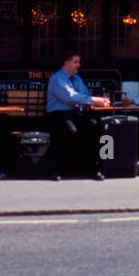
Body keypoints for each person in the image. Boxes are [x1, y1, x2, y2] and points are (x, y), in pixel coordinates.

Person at [45, 51, 110, 180]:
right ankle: (55, 169)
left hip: (74, 113)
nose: (78, 65)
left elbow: (84, 94)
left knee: (94, 124)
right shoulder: (57, 79)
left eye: (79, 62)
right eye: (75, 62)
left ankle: (94, 167)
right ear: (66, 63)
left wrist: (94, 102)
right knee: (70, 130)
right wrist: (93, 100)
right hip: (57, 114)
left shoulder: (77, 79)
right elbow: (70, 97)